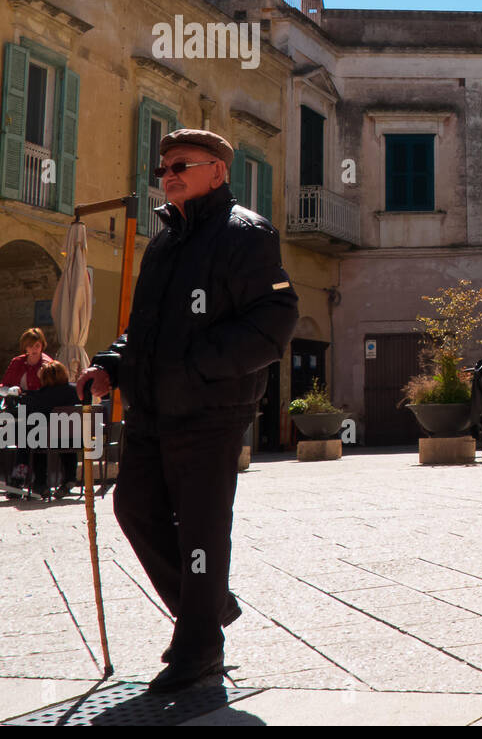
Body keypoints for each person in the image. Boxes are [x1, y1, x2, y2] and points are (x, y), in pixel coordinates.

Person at [77, 129, 298, 694]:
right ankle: (210, 604)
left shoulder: (246, 234)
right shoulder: (165, 243)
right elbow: (142, 333)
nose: (168, 174)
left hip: (210, 411)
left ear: (218, 172)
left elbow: (274, 322)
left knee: (201, 533)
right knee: (133, 508)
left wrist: (197, 364)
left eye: (181, 165)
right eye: (164, 168)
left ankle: (198, 645)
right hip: (152, 412)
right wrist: (110, 365)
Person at [19, 360, 82, 499]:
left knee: (37, 440)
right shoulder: (76, 391)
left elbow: (28, 416)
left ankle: (40, 483)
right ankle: (70, 478)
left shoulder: (38, 396)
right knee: (66, 437)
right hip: (76, 439)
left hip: (47, 440)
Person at [3, 328, 56, 392]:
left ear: (42, 345)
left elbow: (53, 391)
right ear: (25, 347)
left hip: (40, 400)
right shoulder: (17, 362)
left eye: (37, 345)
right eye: (30, 346)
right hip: (17, 399)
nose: (34, 349)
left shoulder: (48, 364)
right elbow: (5, 385)